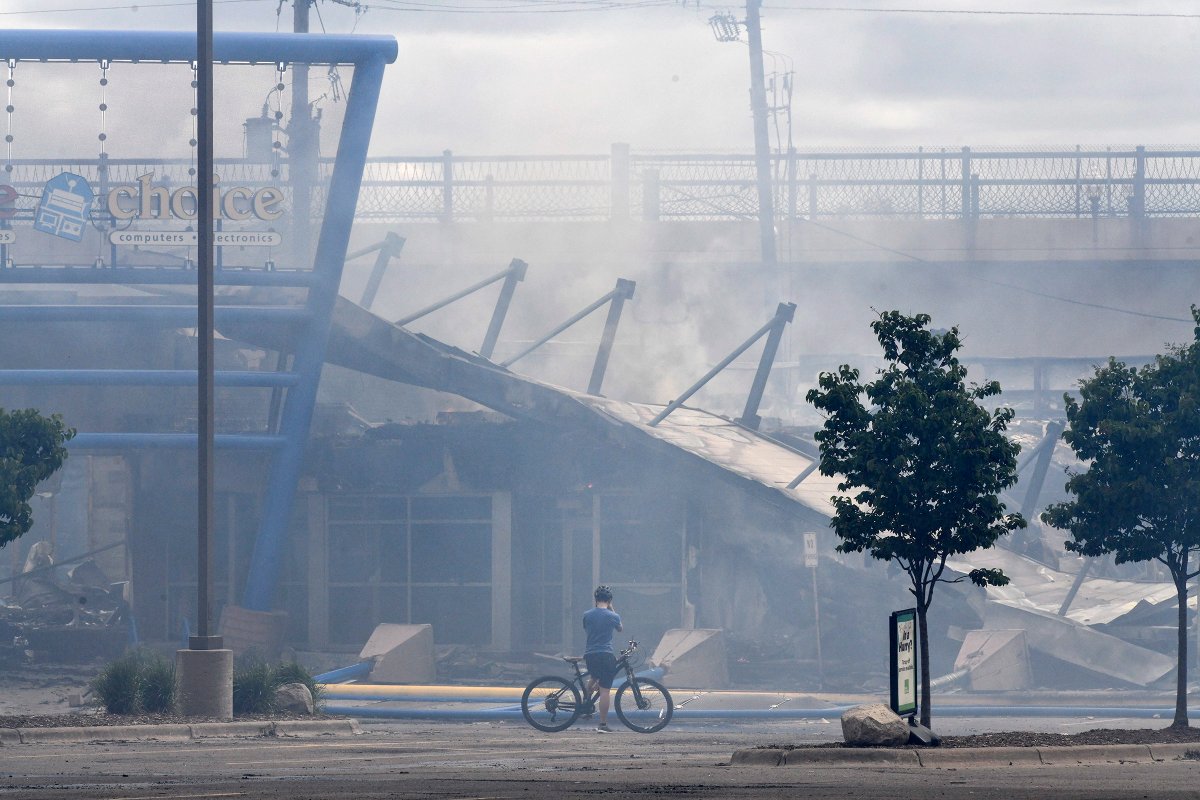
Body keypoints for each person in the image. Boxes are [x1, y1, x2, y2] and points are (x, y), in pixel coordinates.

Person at [582, 584, 623, 733]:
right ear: (610, 600)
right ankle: (603, 724)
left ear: (595, 599)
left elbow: (586, 628)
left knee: (594, 676)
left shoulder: (587, 614)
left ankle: (586, 701)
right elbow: (620, 629)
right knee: (605, 690)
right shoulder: (613, 616)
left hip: (590, 655)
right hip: (606, 654)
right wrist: (611, 608)